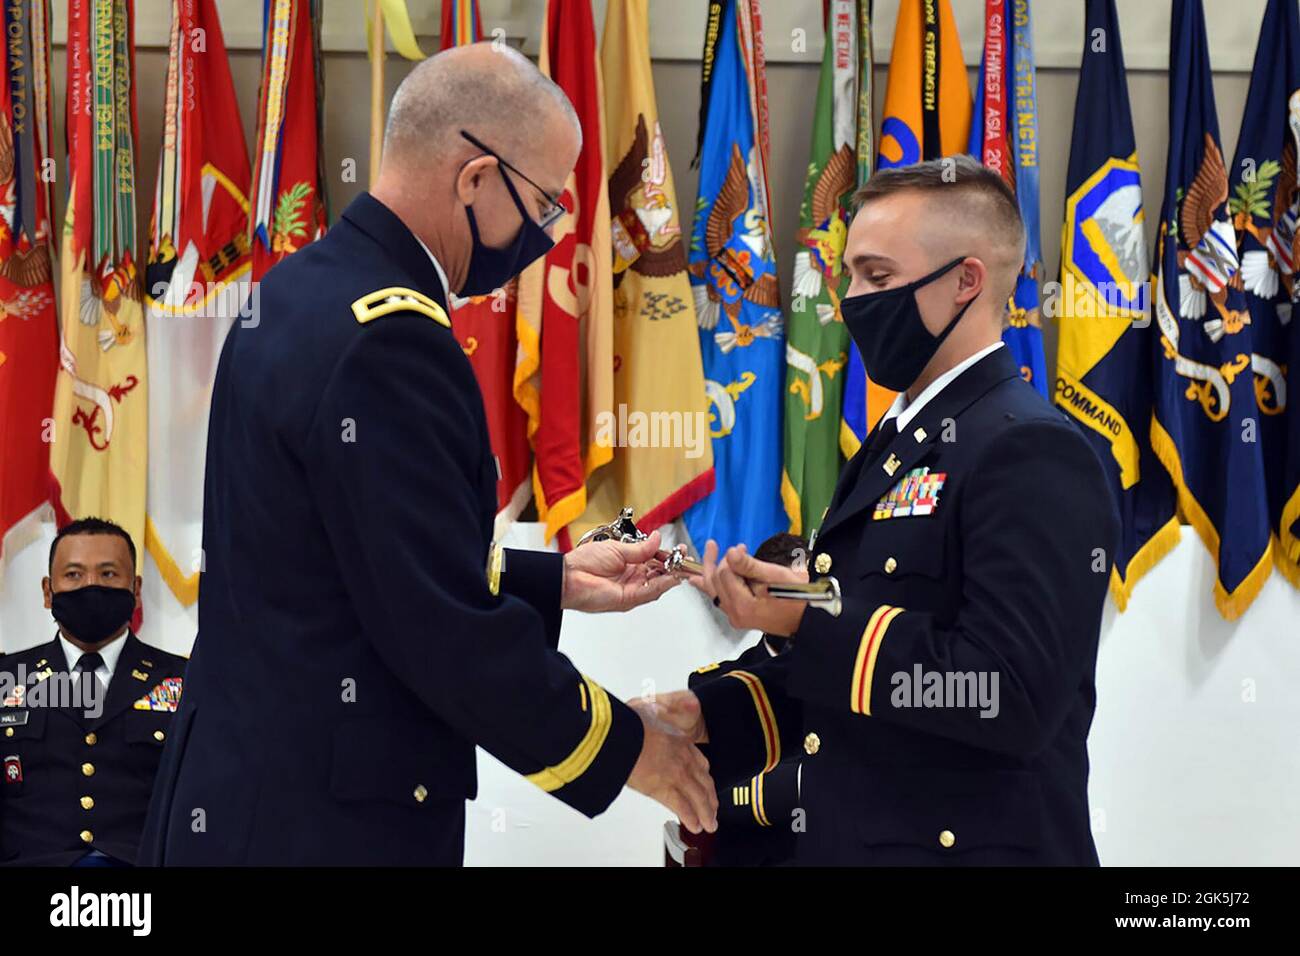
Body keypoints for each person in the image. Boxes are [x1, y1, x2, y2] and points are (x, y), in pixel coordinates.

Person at [138, 42, 715, 867]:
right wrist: (631, 751)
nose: (548, 239)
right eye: (544, 205)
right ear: (475, 178)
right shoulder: (392, 341)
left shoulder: (301, 288)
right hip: (324, 828)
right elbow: (441, 633)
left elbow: (343, 564)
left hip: (249, 791)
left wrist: (555, 581)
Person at [650, 157, 1121, 866]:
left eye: (877, 277)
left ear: (967, 281)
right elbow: (866, 673)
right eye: (849, 277)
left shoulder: (1028, 450)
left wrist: (807, 621)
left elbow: (1007, 693)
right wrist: (711, 713)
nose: (849, 301)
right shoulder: (898, 444)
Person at [1, 518, 187, 866]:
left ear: (135, 589)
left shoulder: (183, 681)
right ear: (47, 590)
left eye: (108, 574)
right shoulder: (8, 679)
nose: (91, 586)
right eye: (74, 575)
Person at [685, 532, 807, 867]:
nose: (799, 606)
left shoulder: (849, 682)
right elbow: (716, 802)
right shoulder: (715, 685)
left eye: (807, 593)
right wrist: (812, 784)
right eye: (786, 591)